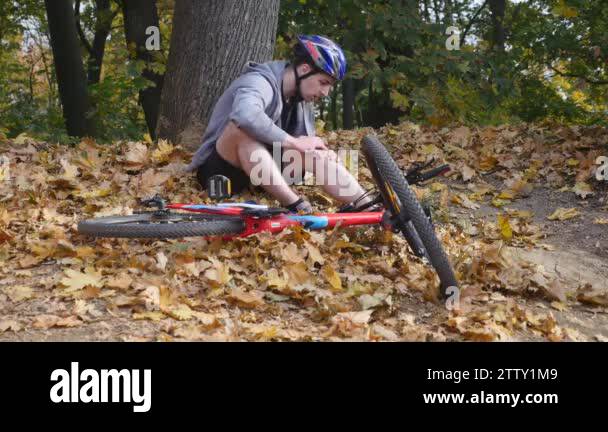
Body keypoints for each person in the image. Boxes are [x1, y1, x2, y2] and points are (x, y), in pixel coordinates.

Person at [186, 35, 372, 214]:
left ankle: (370, 206)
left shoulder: (301, 99)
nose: (325, 92)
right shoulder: (259, 80)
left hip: (262, 177)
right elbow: (244, 115)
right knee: (240, 129)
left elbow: (302, 150)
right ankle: (296, 206)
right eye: (323, 82)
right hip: (220, 175)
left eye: (329, 86)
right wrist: (294, 142)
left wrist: (321, 154)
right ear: (305, 69)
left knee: (318, 153)